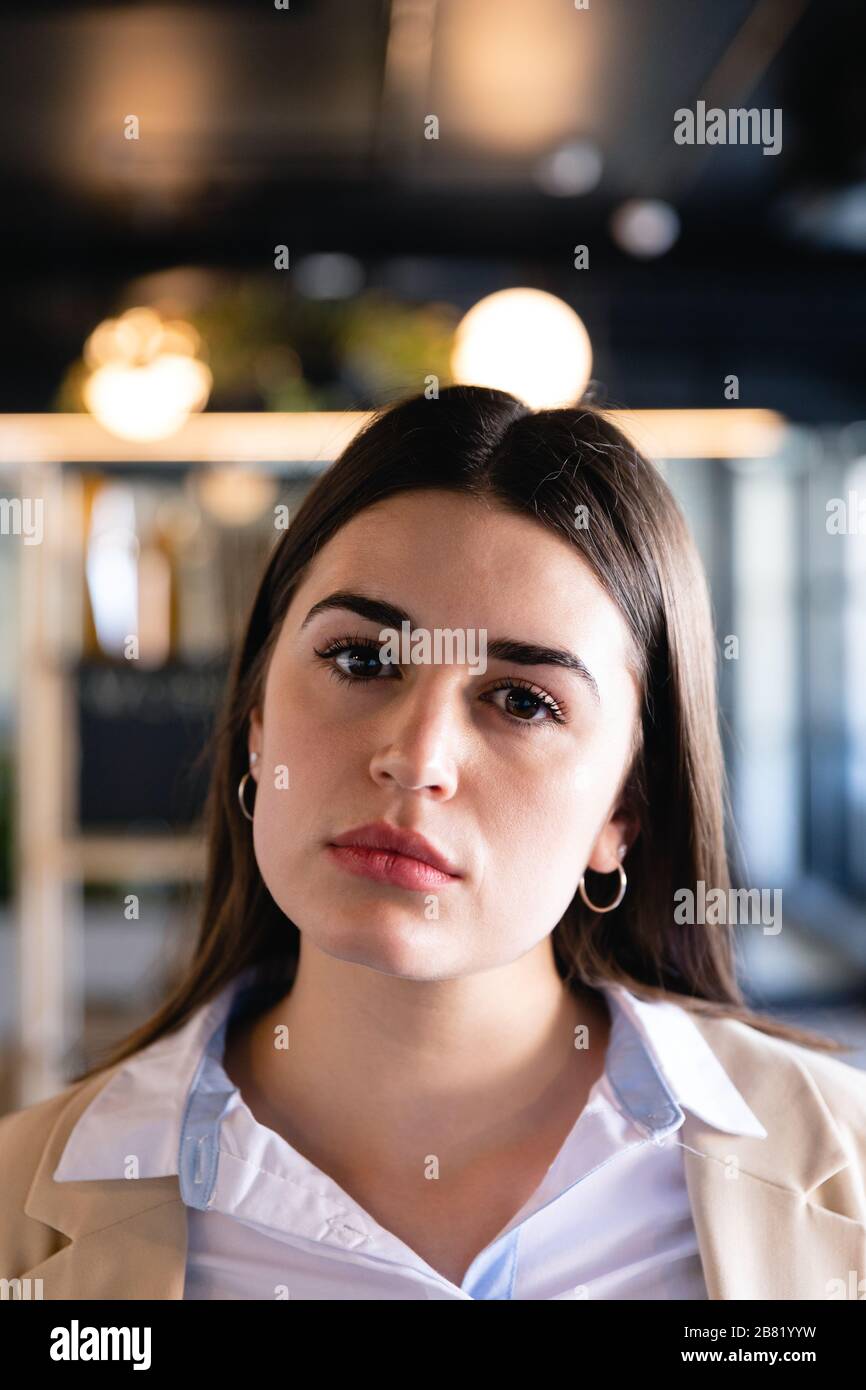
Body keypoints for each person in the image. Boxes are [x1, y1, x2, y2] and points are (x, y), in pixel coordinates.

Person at [2, 384, 865, 1301]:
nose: (416, 761)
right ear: (257, 722)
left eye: (523, 700)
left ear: (624, 813)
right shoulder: (19, 1209)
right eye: (363, 660)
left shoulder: (844, 1165)